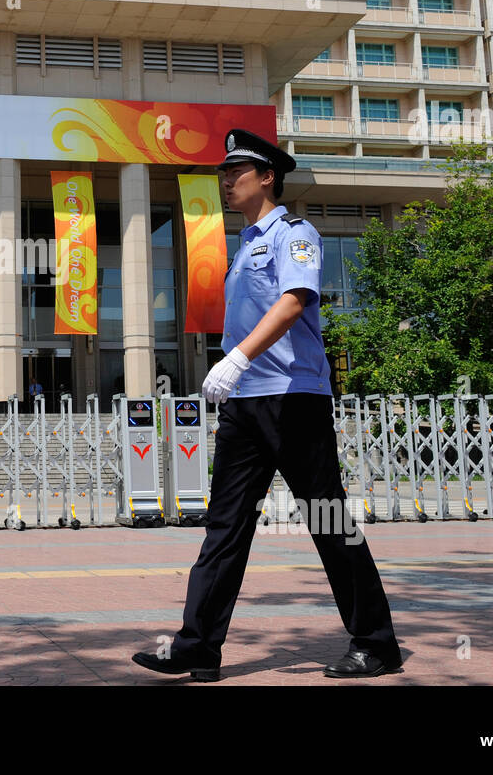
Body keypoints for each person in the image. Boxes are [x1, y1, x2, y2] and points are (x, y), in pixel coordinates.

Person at [132, 128, 402, 682]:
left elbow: (296, 299)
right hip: (247, 404)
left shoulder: (293, 233)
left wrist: (235, 358)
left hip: (294, 399)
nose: (226, 181)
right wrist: (237, 373)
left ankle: (375, 643)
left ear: (267, 177)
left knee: (327, 519)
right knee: (224, 526)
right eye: (223, 173)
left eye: (236, 172)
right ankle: (198, 645)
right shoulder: (244, 246)